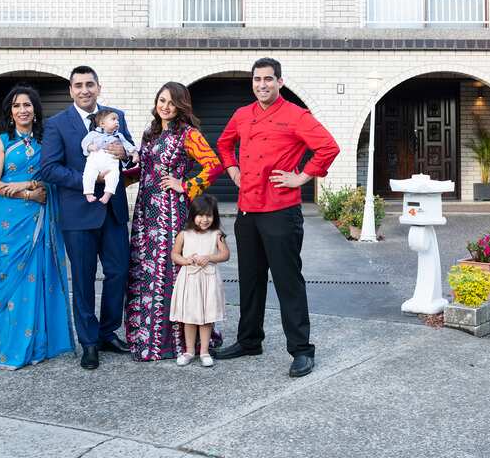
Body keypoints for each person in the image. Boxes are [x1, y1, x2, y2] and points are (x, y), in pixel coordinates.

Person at [214, 58, 340, 378]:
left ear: (280, 82)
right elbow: (224, 144)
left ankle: (301, 350)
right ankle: (249, 341)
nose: (262, 85)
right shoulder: (242, 115)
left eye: (268, 79)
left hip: (281, 211)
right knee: (250, 280)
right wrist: (232, 170)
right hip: (247, 210)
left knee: (288, 282)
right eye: (257, 79)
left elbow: (328, 147)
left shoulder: (296, 115)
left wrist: (301, 177)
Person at [40, 66, 134, 370]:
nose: (85, 90)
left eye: (89, 84)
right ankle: (89, 341)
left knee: (118, 272)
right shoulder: (56, 124)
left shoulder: (116, 116)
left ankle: (107, 332)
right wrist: (88, 179)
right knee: (83, 279)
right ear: (71, 90)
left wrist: (125, 155)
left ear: (98, 87)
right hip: (78, 213)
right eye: (78, 85)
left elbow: (131, 157)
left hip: (113, 211)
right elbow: (49, 168)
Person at [125, 82, 224, 362]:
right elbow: (144, 170)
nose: (165, 106)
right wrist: (115, 175)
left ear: (181, 105)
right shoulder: (150, 133)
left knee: (170, 269)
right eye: (162, 100)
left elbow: (214, 165)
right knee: (145, 271)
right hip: (145, 212)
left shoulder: (188, 134)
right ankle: (148, 337)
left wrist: (186, 185)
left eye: (171, 102)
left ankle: (177, 341)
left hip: (171, 211)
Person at [0, 85, 75, 369]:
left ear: (35, 110)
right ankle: (11, 347)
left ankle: (40, 345)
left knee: (42, 278)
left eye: (27, 105)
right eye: (16, 106)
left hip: (44, 218)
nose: (22, 110)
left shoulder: (46, 140)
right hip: (13, 223)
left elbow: (54, 174)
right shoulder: (2, 142)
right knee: (12, 281)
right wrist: (28, 190)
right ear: (10, 112)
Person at [170, 194, 230, 368]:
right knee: (189, 316)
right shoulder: (184, 234)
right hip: (190, 279)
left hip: (208, 280)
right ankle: (189, 351)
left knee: (206, 316)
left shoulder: (217, 234)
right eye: (200, 215)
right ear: (193, 215)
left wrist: (209, 257)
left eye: (209, 215)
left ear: (214, 216)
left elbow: (225, 254)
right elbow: (174, 254)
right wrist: (186, 260)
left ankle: (204, 351)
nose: (205, 220)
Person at [81, 109, 138, 204]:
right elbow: (84, 143)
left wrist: (134, 154)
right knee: (88, 175)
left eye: (117, 120)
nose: (117, 122)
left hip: (111, 162)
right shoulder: (93, 134)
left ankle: (107, 195)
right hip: (94, 161)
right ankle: (88, 193)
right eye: (113, 119)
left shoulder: (119, 136)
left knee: (113, 176)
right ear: (102, 124)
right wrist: (90, 147)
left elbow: (128, 146)